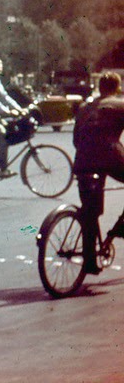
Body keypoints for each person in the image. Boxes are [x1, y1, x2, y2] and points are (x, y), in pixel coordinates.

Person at [72, 71, 124, 275]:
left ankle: (90, 262)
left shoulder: (85, 107)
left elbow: (76, 139)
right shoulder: (120, 105)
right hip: (110, 156)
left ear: (99, 87)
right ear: (117, 87)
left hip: (83, 160)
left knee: (90, 211)